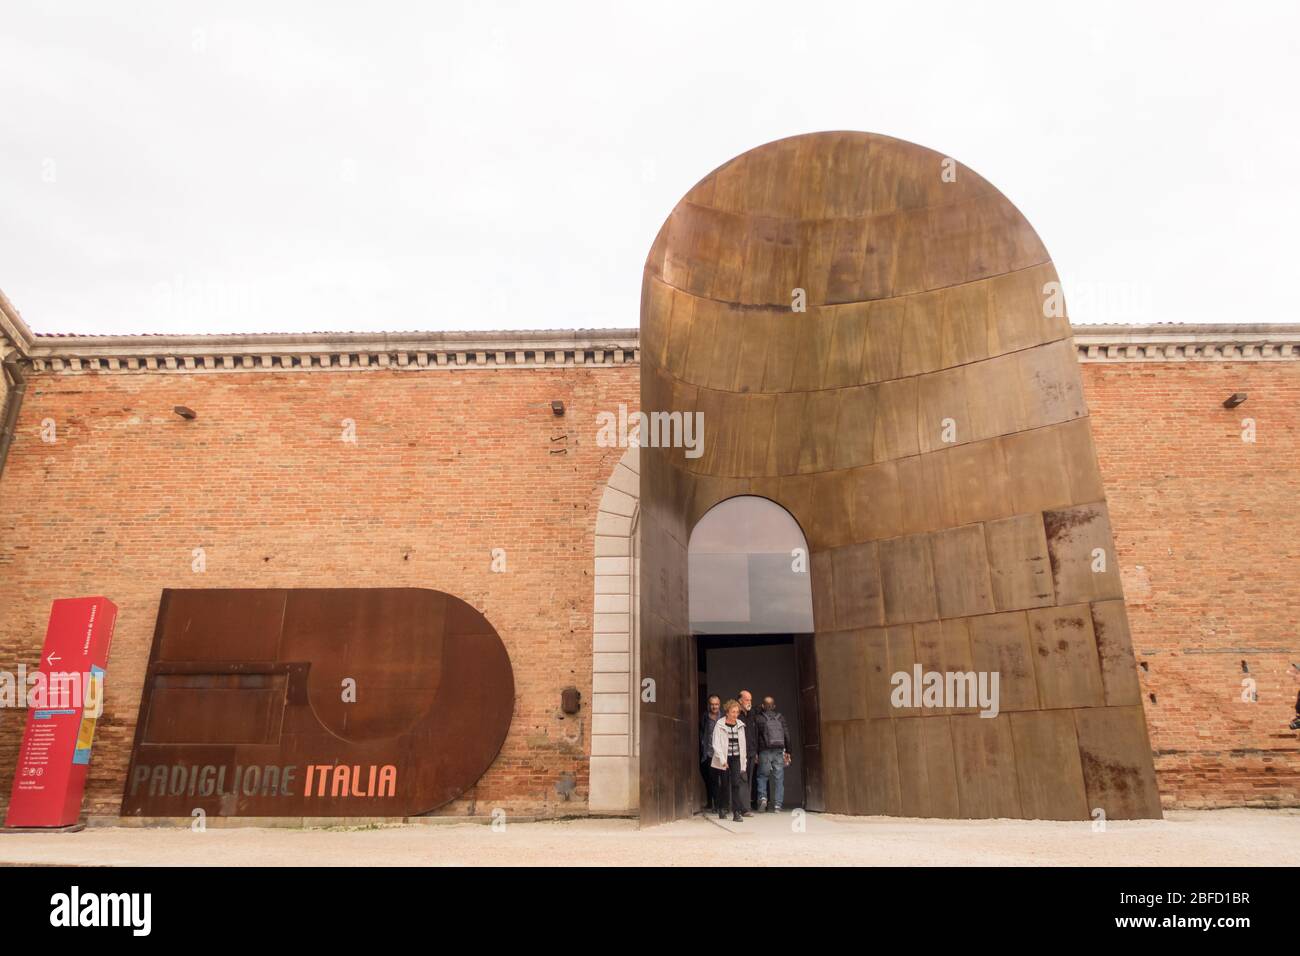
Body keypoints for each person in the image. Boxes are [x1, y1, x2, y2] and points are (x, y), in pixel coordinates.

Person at [710, 699, 748, 822]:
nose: (735, 715)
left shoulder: (740, 725)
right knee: (725, 785)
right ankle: (722, 808)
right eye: (733, 712)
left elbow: (743, 745)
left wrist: (744, 761)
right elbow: (716, 744)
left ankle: (736, 812)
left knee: (736, 784)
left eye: (737, 712)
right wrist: (722, 759)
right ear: (727, 712)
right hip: (724, 758)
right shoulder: (720, 725)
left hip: (736, 758)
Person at [753, 695, 792, 812]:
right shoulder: (780, 718)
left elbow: (755, 737)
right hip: (779, 751)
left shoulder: (759, 718)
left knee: (762, 776)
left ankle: (763, 797)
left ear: (763, 706)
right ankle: (778, 805)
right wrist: (789, 751)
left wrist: (755, 752)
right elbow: (787, 735)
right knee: (779, 778)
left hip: (764, 751)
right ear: (774, 706)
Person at [699, 695, 723, 810]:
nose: (714, 706)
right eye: (712, 704)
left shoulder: (723, 717)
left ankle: (719, 805)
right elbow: (702, 732)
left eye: (716, 704)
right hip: (708, 753)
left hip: (721, 754)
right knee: (709, 779)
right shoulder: (705, 717)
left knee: (718, 780)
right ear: (709, 705)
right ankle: (711, 803)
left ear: (720, 704)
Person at [736, 689, 758, 815]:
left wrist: (755, 752)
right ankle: (741, 807)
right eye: (747, 699)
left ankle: (745, 807)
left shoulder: (751, 715)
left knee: (748, 780)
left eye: (750, 700)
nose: (749, 702)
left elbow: (753, 734)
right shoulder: (736, 714)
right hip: (739, 753)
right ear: (740, 700)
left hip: (751, 752)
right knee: (740, 779)